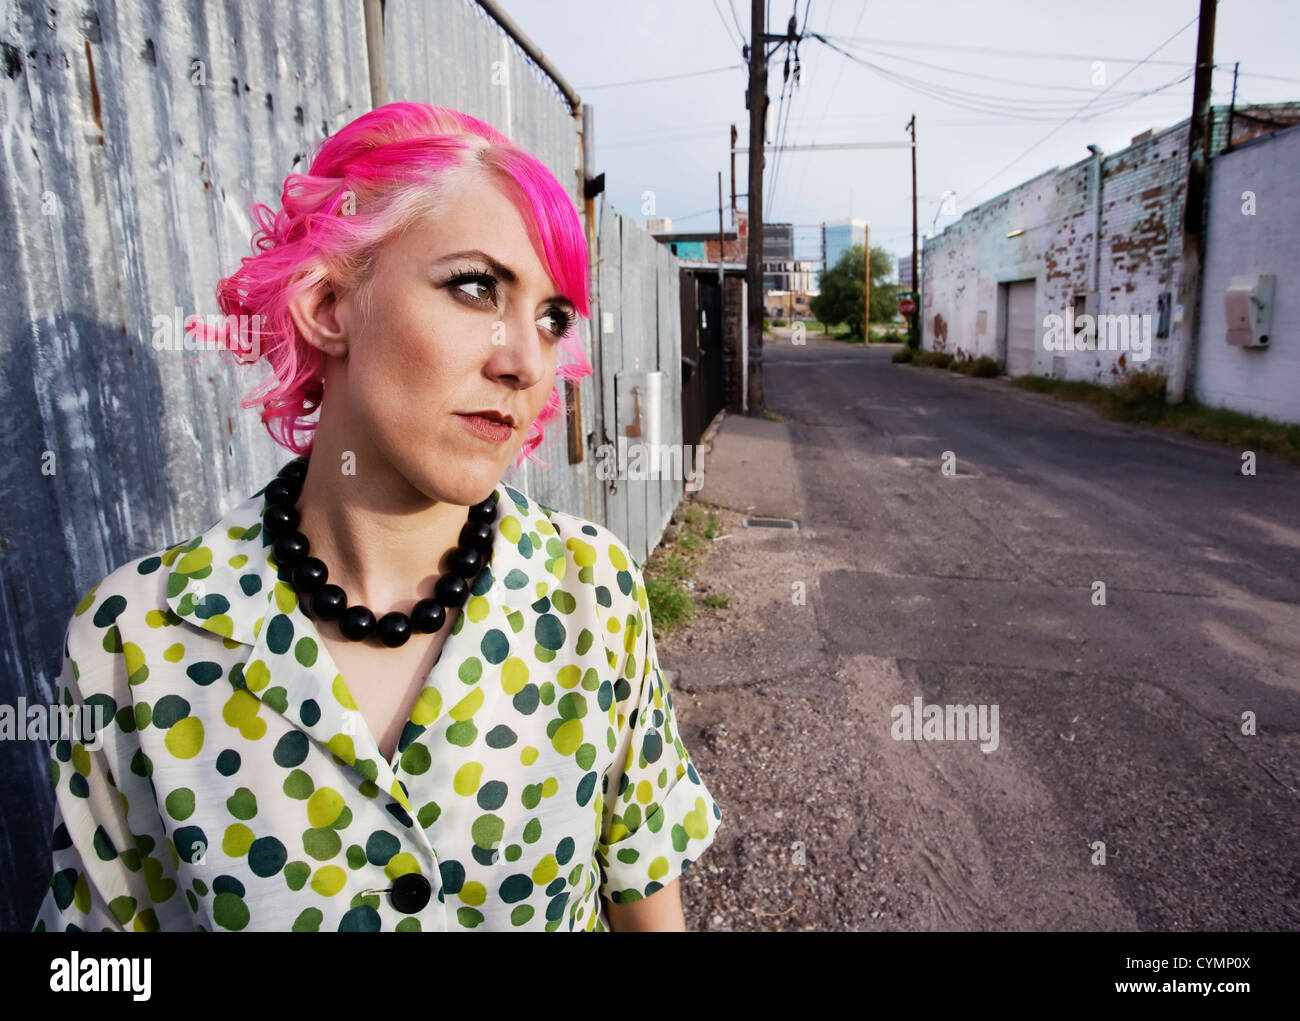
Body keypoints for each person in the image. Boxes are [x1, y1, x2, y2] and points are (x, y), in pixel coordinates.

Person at [31, 103, 722, 932]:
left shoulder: (592, 596)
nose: (525, 360)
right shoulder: (134, 643)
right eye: (476, 287)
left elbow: (646, 903)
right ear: (328, 303)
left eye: (552, 318)